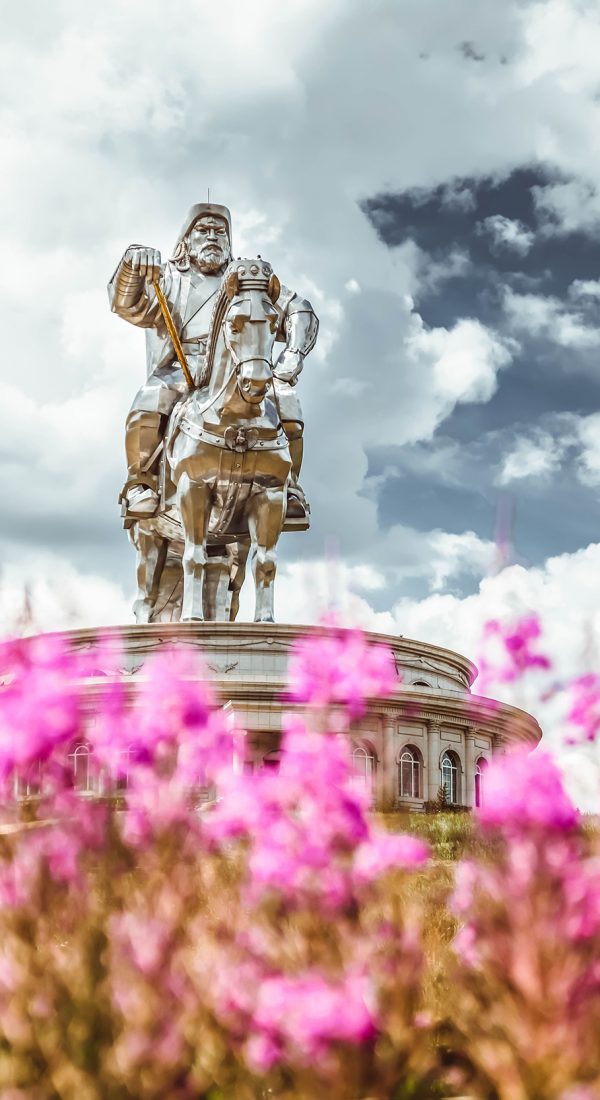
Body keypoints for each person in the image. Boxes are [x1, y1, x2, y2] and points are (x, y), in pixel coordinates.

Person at [108, 202, 318, 522]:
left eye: (220, 232)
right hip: (183, 365)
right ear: (187, 239)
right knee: (151, 397)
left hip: (240, 364)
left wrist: (294, 353)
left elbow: (299, 310)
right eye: (203, 230)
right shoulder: (167, 276)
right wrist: (131, 264)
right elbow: (126, 304)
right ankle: (140, 481)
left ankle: (288, 487)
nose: (212, 237)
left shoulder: (248, 279)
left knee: (286, 398)